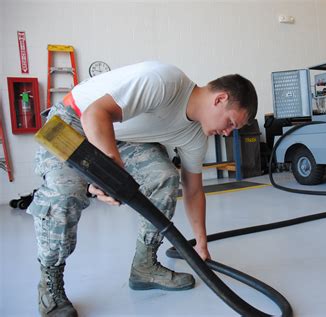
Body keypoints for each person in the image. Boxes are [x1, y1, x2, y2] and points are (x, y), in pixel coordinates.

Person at [27, 61, 258, 317]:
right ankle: (50, 283)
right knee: (64, 192)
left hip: (122, 136)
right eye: (230, 123)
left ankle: (144, 266)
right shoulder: (164, 81)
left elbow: (193, 190)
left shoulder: (195, 136)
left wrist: (201, 245)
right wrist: (109, 173)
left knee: (164, 176)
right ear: (220, 99)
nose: (227, 133)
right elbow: (95, 114)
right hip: (73, 119)